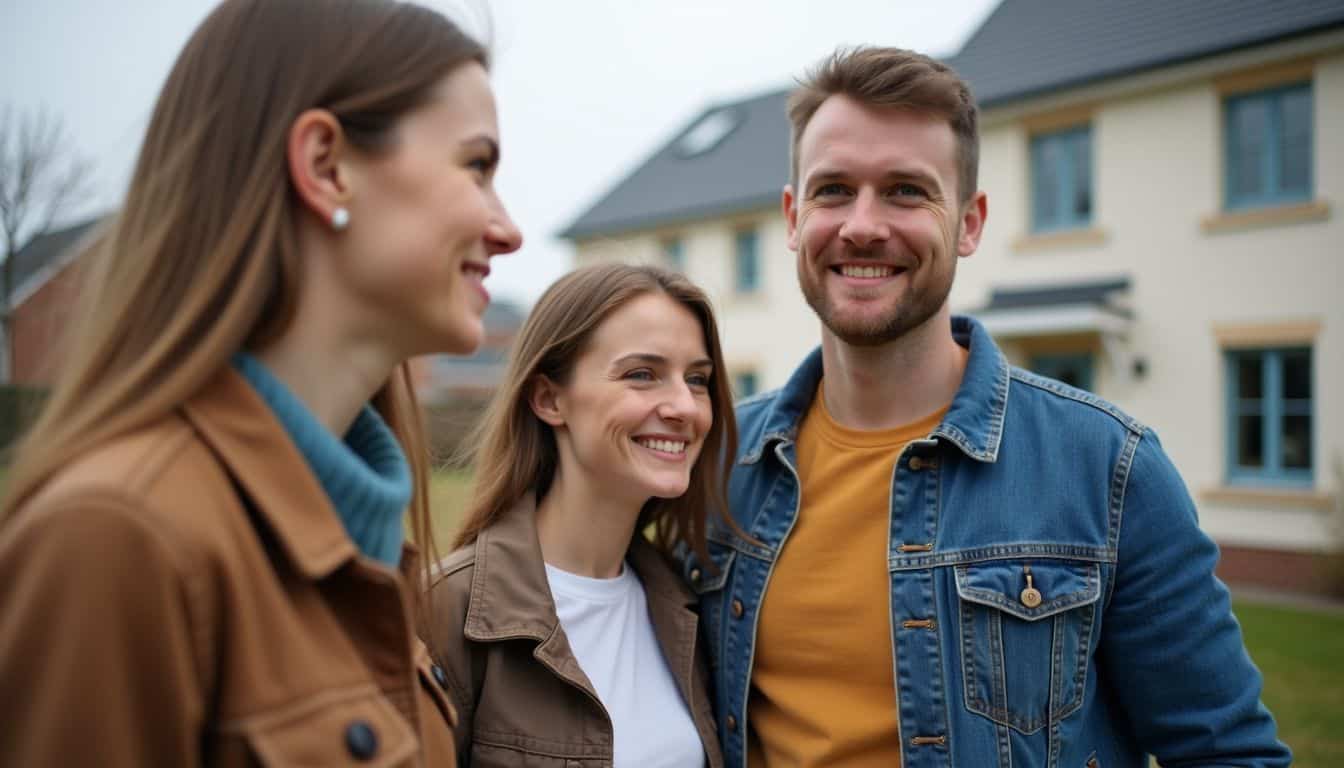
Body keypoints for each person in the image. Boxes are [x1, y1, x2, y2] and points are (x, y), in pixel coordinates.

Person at [684, 47, 1292, 768]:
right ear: (793, 218)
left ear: (969, 223)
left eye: (906, 191)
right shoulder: (719, 463)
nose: (863, 225)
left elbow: (1229, 753)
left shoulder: (1108, 469)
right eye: (834, 190)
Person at [0, 0, 521, 764]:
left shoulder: (372, 543)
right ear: (326, 166)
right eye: (476, 166)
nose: (508, 229)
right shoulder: (116, 540)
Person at [427, 264, 732, 767]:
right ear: (549, 399)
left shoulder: (695, 608)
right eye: (642, 374)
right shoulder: (444, 611)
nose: (685, 406)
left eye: (697, 380)